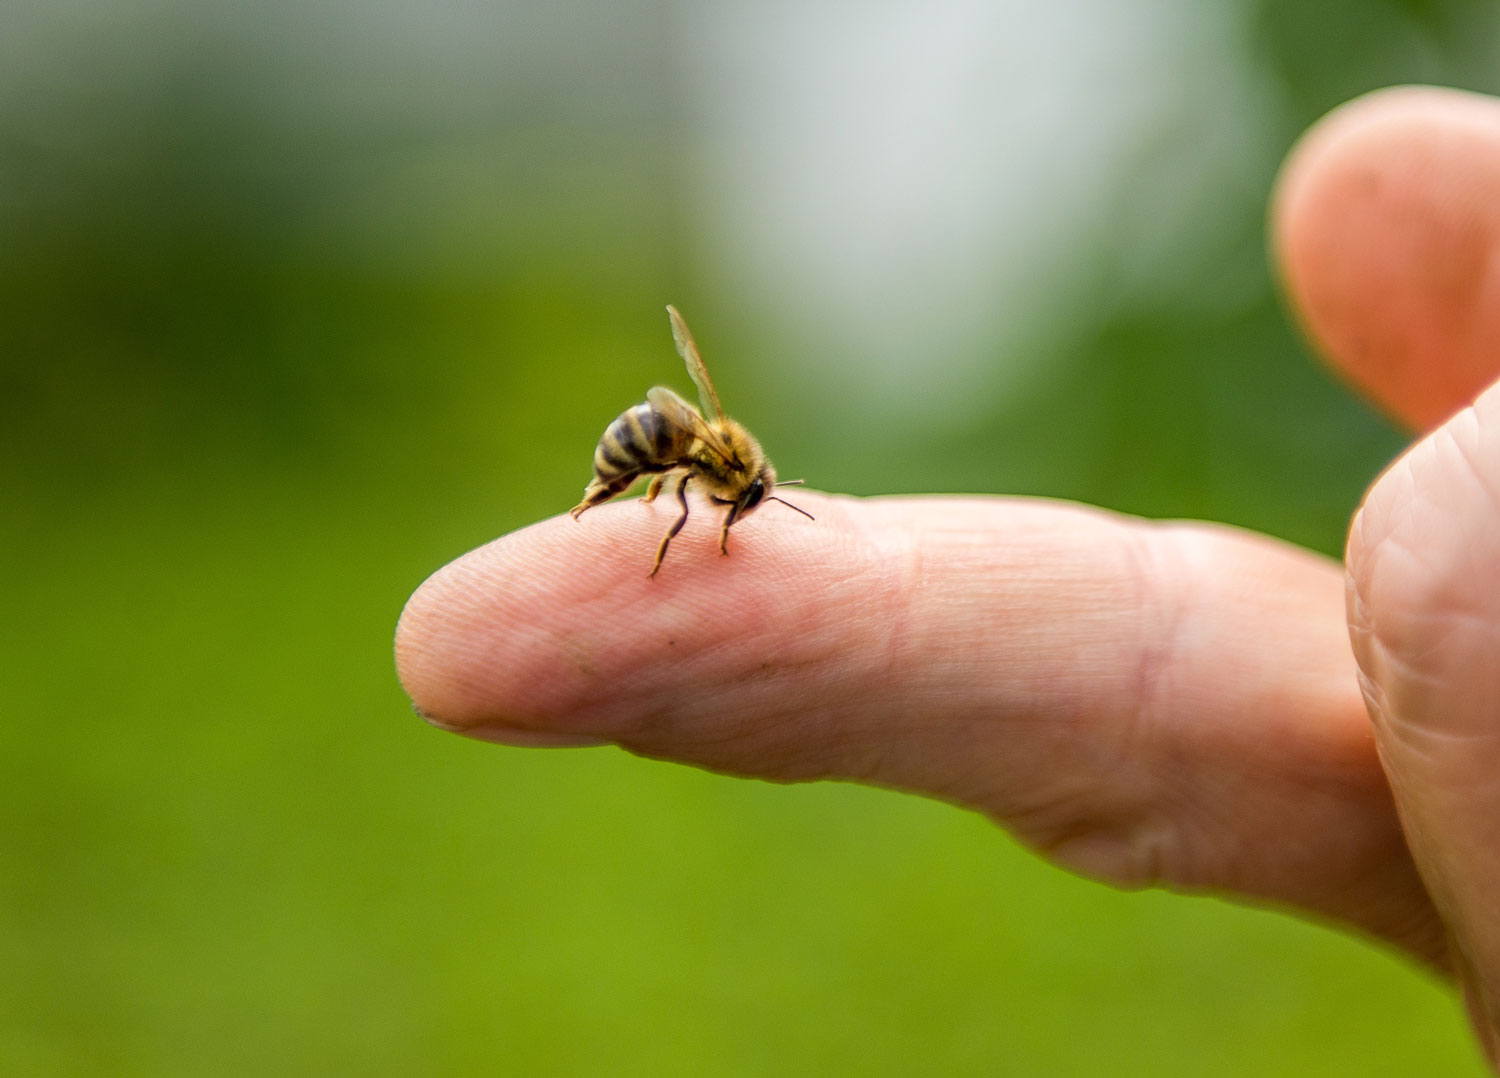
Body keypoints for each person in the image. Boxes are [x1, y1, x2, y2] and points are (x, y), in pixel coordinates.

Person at [395, 85, 1500, 1065]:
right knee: (650, 482)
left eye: (740, 502)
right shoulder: (703, 468)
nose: (737, 503)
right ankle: (602, 495)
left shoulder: (720, 463)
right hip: (655, 456)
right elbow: (683, 477)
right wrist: (680, 522)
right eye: (740, 499)